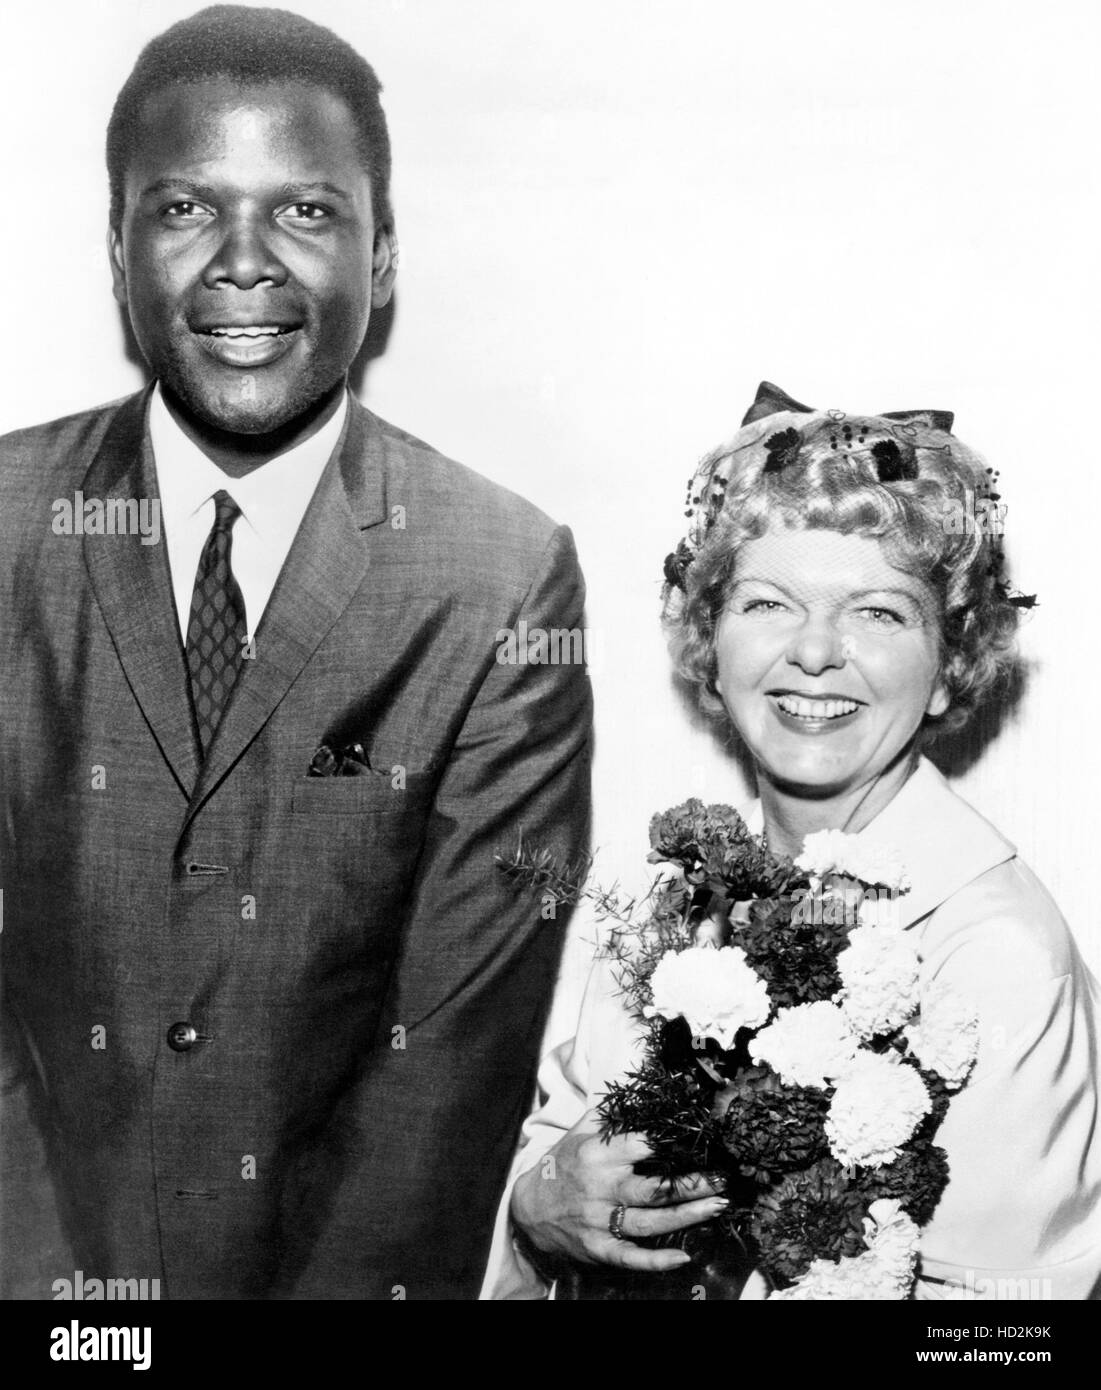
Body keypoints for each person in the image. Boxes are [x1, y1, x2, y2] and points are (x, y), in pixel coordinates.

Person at [0, 5, 591, 1300]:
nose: (245, 261)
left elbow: (445, 1073)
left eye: (308, 212)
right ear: (115, 249)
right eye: (186, 208)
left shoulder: (499, 579)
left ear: (382, 259)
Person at [482, 381, 1101, 1300]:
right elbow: (556, 1156)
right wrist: (537, 1210)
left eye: (878, 612)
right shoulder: (674, 904)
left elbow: (1013, 1339)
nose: (814, 651)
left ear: (948, 667)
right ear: (708, 641)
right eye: (768, 604)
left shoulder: (994, 954)